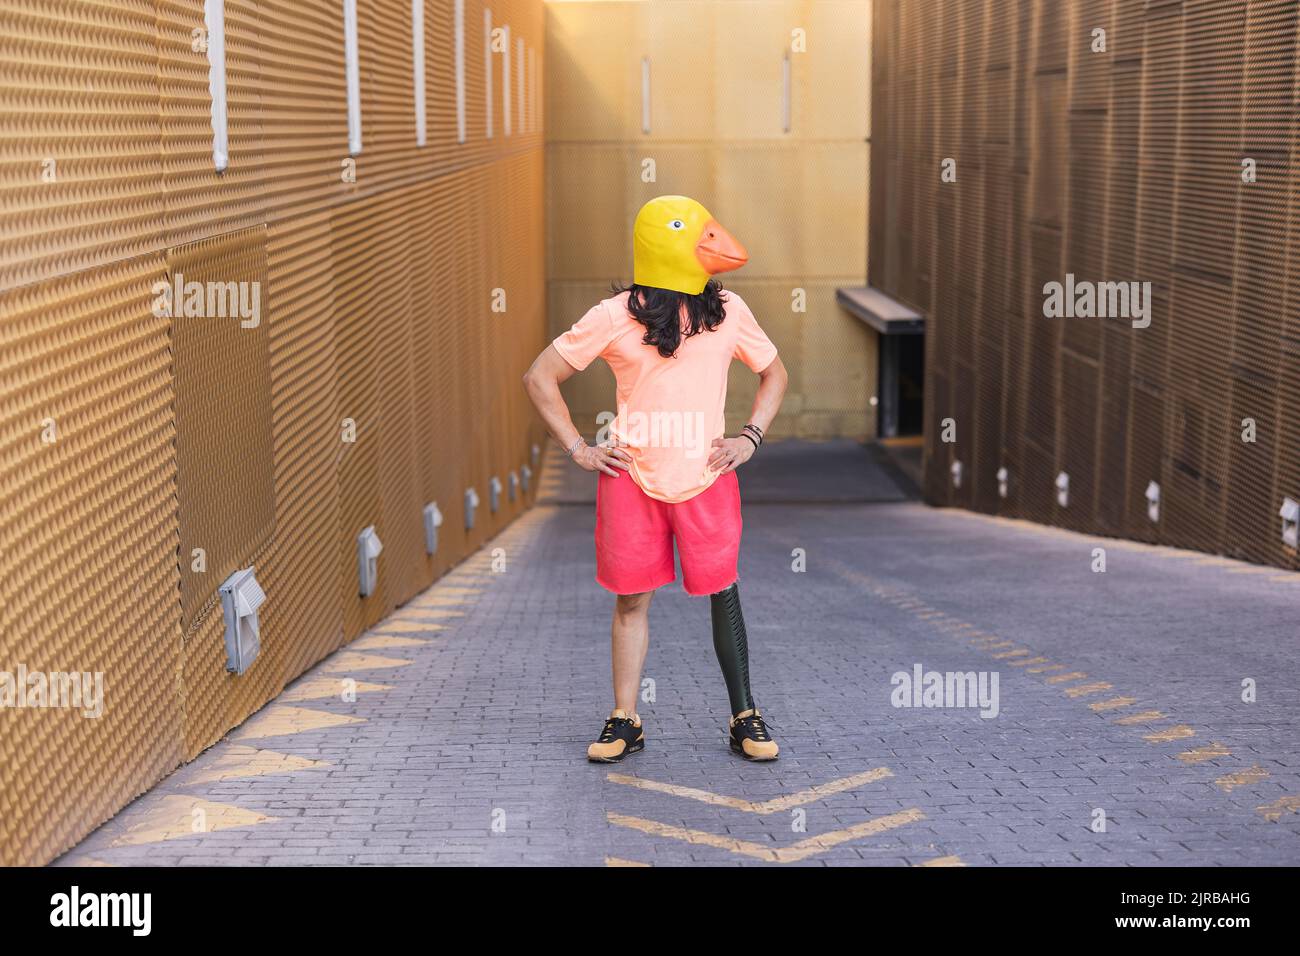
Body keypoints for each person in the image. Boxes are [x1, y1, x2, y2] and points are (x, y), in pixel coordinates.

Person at [523, 195, 788, 762]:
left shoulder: (729, 310)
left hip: (708, 475)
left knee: (724, 592)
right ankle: (625, 718)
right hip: (632, 479)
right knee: (630, 602)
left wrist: (750, 437)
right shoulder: (614, 315)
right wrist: (578, 449)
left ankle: (745, 717)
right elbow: (541, 377)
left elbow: (774, 374)